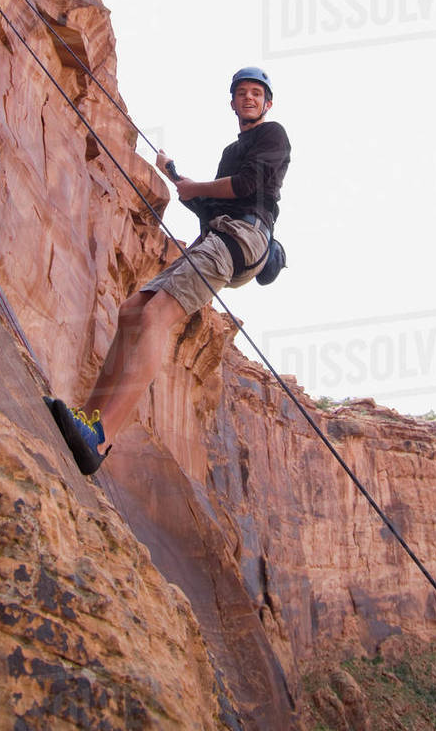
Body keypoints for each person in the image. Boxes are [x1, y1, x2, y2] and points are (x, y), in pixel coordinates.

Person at [46, 66, 291, 474]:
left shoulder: (273, 135)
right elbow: (211, 204)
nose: (249, 98)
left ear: (268, 103)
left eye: (256, 93)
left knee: (157, 316)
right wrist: (175, 177)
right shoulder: (232, 151)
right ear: (231, 102)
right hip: (220, 233)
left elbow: (247, 186)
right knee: (131, 313)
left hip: (243, 238)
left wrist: (197, 188)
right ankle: (86, 418)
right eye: (241, 92)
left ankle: (101, 438)